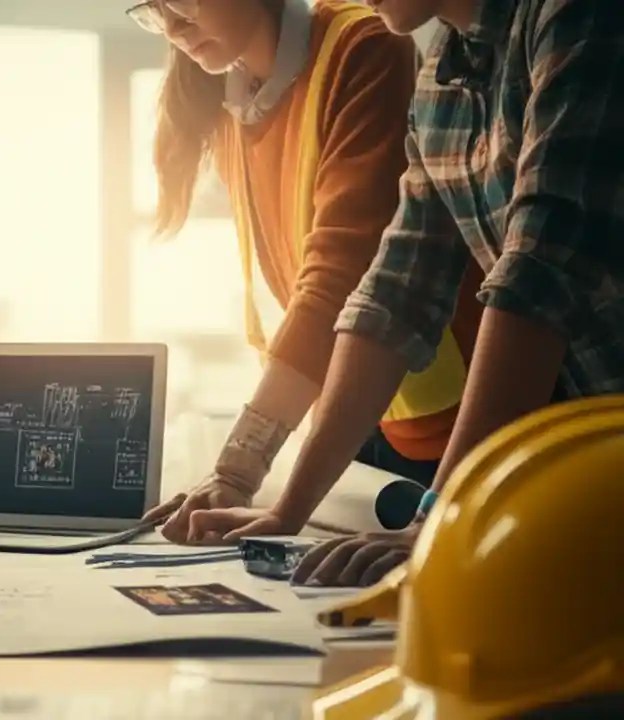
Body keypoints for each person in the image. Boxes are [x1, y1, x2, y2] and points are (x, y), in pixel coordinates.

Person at [162, 0, 624, 586]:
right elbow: (392, 292)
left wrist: (439, 519)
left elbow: (539, 271)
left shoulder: (582, 18)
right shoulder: (441, 74)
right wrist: (288, 512)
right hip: (584, 451)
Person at [129, 0, 482, 543]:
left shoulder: (364, 47)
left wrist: (240, 467)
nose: (172, 26)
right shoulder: (231, 96)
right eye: (152, 11)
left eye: (180, 1)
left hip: (445, 422)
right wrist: (246, 479)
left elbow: (339, 278)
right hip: (342, 414)